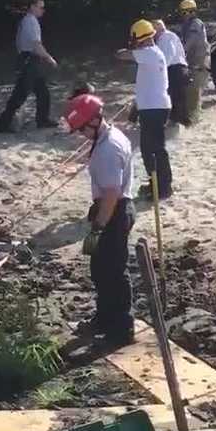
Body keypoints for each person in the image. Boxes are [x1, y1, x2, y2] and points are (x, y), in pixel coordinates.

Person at [65, 92, 135, 345]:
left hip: (113, 212)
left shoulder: (108, 148)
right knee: (100, 269)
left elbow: (112, 193)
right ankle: (104, 318)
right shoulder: (107, 139)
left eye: (82, 129)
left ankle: (122, 328)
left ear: (93, 122)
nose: (81, 134)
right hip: (109, 209)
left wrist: (98, 228)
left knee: (114, 271)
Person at [116, 20, 173, 199]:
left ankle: (163, 188)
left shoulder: (149, 53)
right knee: (149, 149)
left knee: (155, 149)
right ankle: (156, 184)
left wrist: (127, 49)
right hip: (151, 107)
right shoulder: (150, 53)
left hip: (155, 108)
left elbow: (122, 55)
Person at [0, 0, 59, 133]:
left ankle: (43, 120)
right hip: (29, 60)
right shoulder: (31, 22)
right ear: (32, 7)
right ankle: (3, 124)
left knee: (43, 92)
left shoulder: (29, 21)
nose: (43, 10)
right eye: (40, 7)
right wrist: (49, 58)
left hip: (30, 60)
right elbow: (36, 45)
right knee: (21, 94)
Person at [153, 19, 190, 126]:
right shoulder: (165, 37)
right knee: (177, 99)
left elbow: (169, 54)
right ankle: (180, 123)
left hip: (175, 69)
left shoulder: (166, 37)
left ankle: (180, 125)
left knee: (177, 99)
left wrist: (161, 70)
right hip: (177, 69)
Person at [179, 0, 209, 124]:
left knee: (194, 94)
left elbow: (189, 43)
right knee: (190, 95)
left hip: (198, 65)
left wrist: (180, 53)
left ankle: (193, 122)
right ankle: (193, 119)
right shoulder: (188, 25)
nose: (183, 15)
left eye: (185, 12)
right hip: (193, 64)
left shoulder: (195, 24)